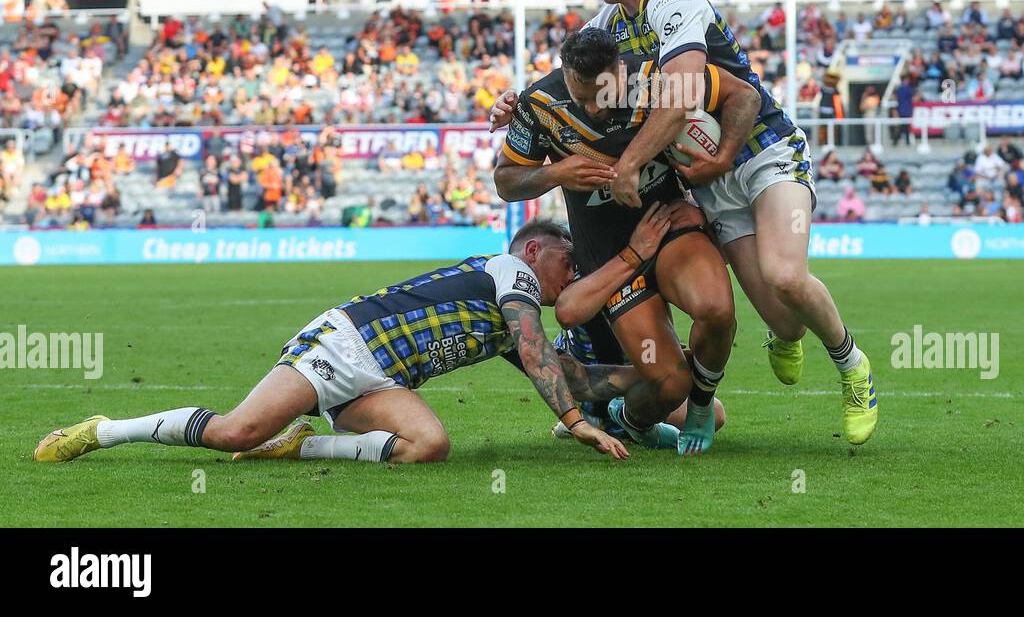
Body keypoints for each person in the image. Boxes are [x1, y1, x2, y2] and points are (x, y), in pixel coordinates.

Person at [491, 0, 876, 444]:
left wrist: (632, 165)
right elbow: (568, 77)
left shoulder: (675, 2)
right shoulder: (607, 24)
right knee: (783, 317)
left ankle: (854, 369)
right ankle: (784, 334)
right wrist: (516, 103)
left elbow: (681, 96)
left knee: (786, 276)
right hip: (704, 175)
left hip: (759, 148)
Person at [34, 220, 671, 465]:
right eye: (568, 262)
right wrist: (575, 423)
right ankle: (105, 431)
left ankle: (306, 445)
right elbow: (538, 356)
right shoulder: (510, 273)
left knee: (429, 446)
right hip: (344, 346)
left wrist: (657, 373)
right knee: (235, 433)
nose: (572, 276)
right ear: (533, 250)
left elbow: (568, 374)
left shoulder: (513, 315)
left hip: (382, 380)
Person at [495, 28, 742, 454]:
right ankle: (627, 419)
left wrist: (719, 165)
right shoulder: (539, 105)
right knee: (669, 383)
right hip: (609, 258)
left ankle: (700, 406)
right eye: (582, 95)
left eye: (601, 95)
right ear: (566, 74)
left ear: (621, 70)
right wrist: (555, 173)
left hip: (666, 226)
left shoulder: (658, 76)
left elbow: (745, 96)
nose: (592, 107)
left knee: (717, 311)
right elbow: (505, 181)